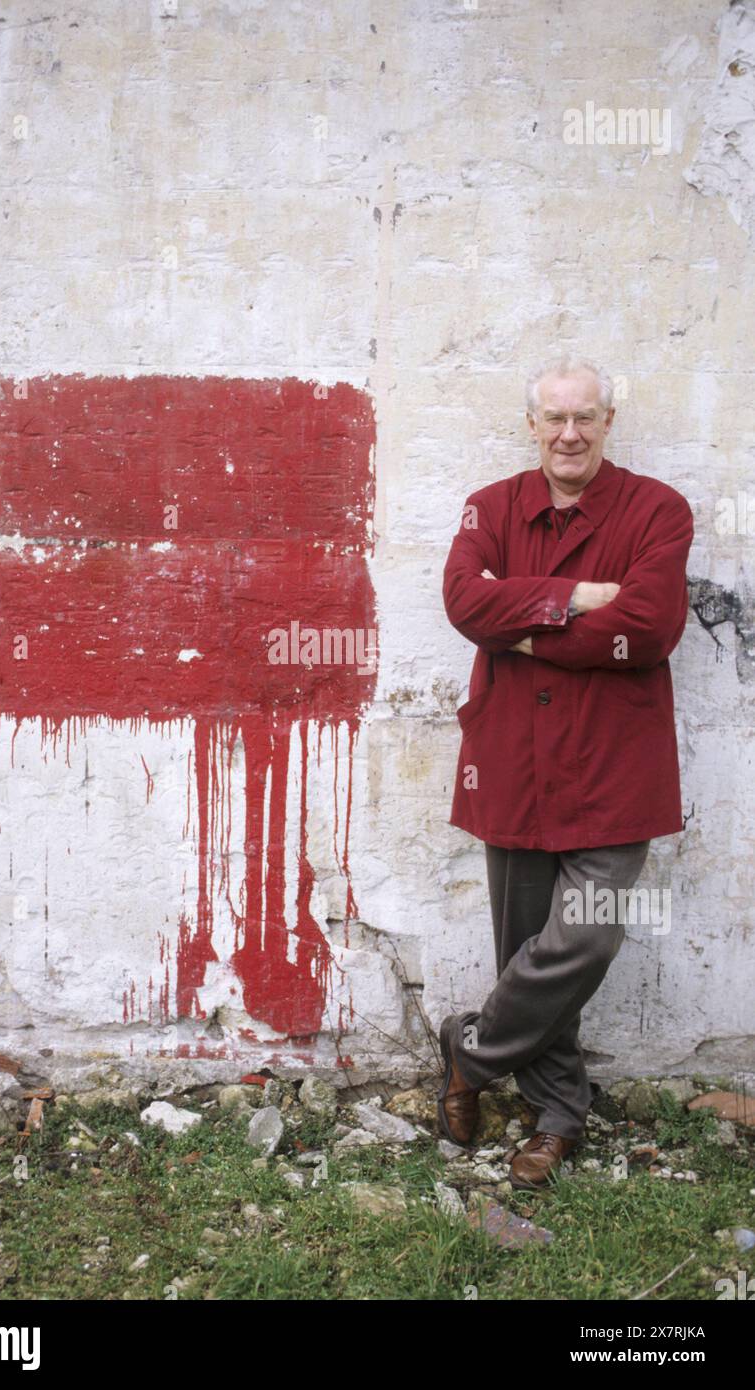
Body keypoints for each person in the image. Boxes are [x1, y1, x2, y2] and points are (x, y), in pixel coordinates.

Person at [437, 356, 694, 1188]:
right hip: (511, 757)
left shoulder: (658, 509)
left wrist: (520, 623)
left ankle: (470, 1052)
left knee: (582, 936)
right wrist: (582, 597)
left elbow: (650, 626)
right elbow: (463, 603)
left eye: (585, 417)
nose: (569, 433)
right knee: (522, 946)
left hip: (615, 766)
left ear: (608, 422)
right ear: (533, 425)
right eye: (554, 418)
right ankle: (556, 1117)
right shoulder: (490, 506)